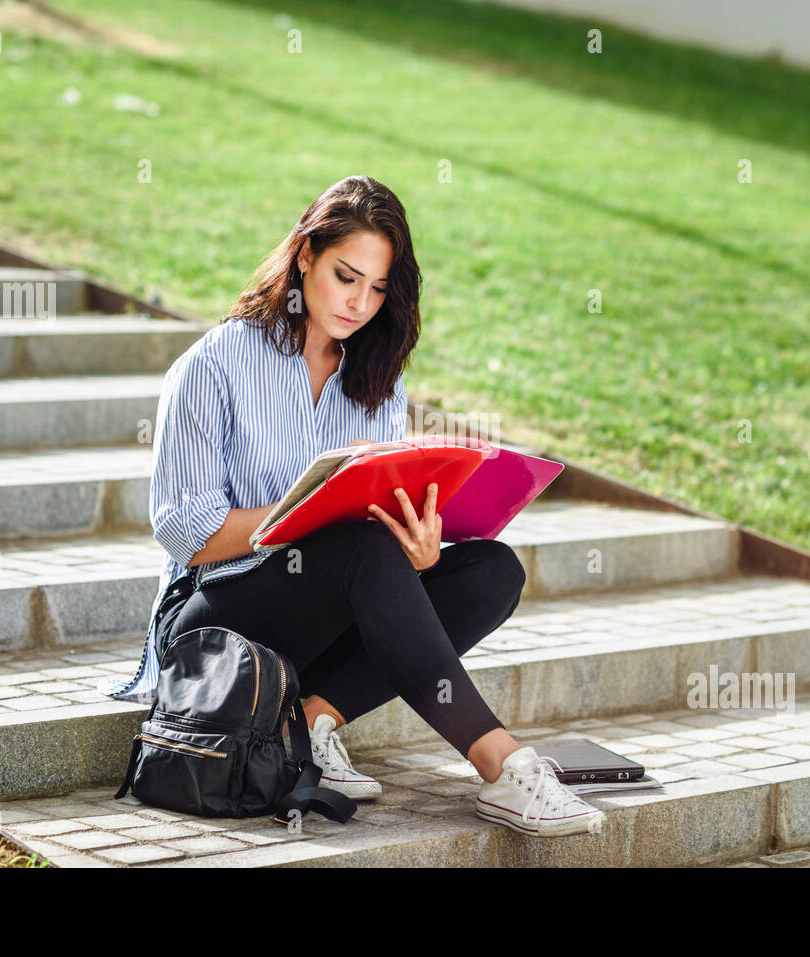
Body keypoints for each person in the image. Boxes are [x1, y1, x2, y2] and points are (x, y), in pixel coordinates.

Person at [109, 175, 604, 839]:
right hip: (216, 618)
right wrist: (310, 512)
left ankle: (313, 717)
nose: (359, 303)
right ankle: (503, 765)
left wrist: (417, 546)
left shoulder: (376, 380)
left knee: (492, 569)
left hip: (329, 607)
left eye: (377, 289)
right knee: (357, 545)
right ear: (306, 253)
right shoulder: (214, 365)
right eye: (347, 276)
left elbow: (375, 525)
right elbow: (185, 533)